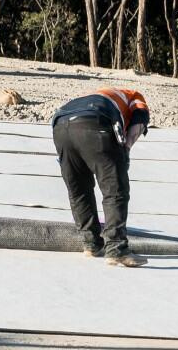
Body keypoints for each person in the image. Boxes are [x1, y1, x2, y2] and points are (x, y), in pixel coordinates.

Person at [50, 87, 149, 267]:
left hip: (60, 125)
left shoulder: (97, 95)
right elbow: (136, 126)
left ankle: (91, 244)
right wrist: (124, 152)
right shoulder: (135, 97)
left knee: (79, 189)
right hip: (94, 122)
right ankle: (117, 249)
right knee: (115, 189)